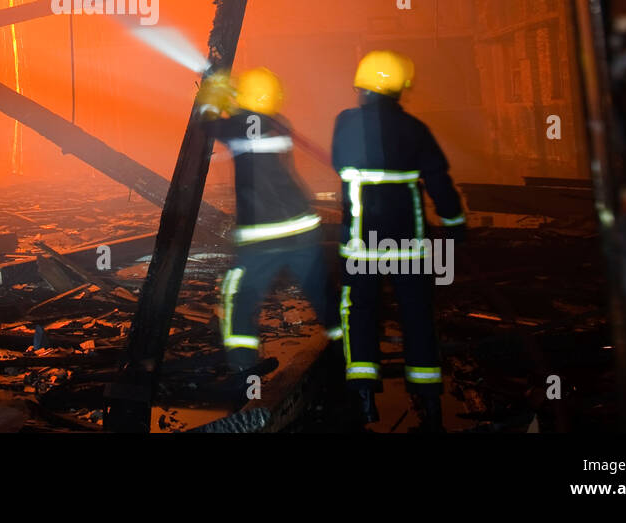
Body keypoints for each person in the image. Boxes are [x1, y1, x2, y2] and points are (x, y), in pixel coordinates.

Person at [331, 50, 466, 431]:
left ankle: (362, 397)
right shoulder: (416, 129)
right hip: (410, 248)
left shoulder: (345, 123)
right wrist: (455, 226)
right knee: (418, 316)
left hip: (361, 246)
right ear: (399, 89)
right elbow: (440, 181)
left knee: (359, 313)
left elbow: (338, 163)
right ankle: (430, 404)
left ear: (361, 87)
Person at [197, 67, 342, 375]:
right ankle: (348, 355)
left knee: (239, 297)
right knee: (322, 294)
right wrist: (229, 100)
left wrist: (211, 96)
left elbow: (206, 124)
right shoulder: (277, 124)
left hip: (263, 237)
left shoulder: (241, 125)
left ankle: (241, 369)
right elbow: (244, 124)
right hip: (302, 230)